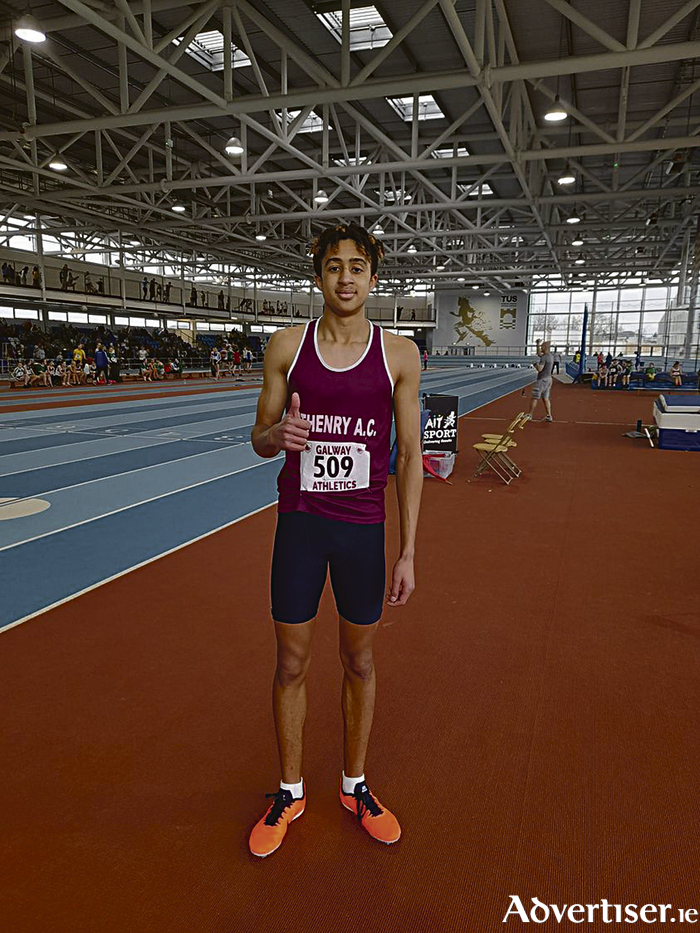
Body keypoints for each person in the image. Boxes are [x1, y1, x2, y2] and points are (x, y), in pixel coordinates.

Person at [248, 222, 423, 858]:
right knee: (291, 663)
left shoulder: (399, 355)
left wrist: (406, 551)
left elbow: (409, 455)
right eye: (333, 266)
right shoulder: (286, 347)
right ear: (318, 275)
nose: (345, 277)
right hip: (299, 526)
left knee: (361, 662)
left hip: (362, 531)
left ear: (373, 278)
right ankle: (290, 791)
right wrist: (279, 439)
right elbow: (259, 435)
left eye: (357, 267)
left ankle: (355, 785)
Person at [526, 340, 554, 420]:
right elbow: (539, 354)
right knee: (545, 398)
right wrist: (537, 345)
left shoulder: (544, 358)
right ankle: (549, 415)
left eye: (542, 346)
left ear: (545, 347)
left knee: (535, 397)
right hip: (549, 379)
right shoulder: (550, 356)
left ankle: (530, 415)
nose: (541, 348)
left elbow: (539, 369)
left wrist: (535, 364)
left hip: (542, 380)